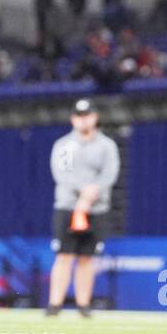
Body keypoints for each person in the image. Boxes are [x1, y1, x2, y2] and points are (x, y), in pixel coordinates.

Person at [46, 99, 120, 317]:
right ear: (73, 119)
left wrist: (91, 194)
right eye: (79, 115)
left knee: (88, 258)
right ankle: (55, 304)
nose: (83, 119)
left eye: (87, 115)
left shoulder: (107, 146)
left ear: (95, 117)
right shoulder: (63, 145)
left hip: (97, 208)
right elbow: (61, 174)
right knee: (64, 255)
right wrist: (82, 192)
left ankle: (83, 304)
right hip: (67, 207)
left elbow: (110, 174)